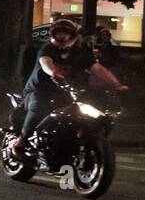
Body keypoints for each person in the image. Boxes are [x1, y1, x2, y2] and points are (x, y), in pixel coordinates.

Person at [12, 18, 127, 152]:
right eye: (58, 33)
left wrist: (116, 84)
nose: (61, 37)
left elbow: (97, 69)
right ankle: (22, 140)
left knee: (89, 113)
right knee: (39, 107)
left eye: (65, 34)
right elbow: (45, 62)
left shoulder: (80, 53)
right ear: (52, 34)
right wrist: (53, 72)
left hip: (67, 92)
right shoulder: (47, 49)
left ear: (73, 36)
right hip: (40, 90)